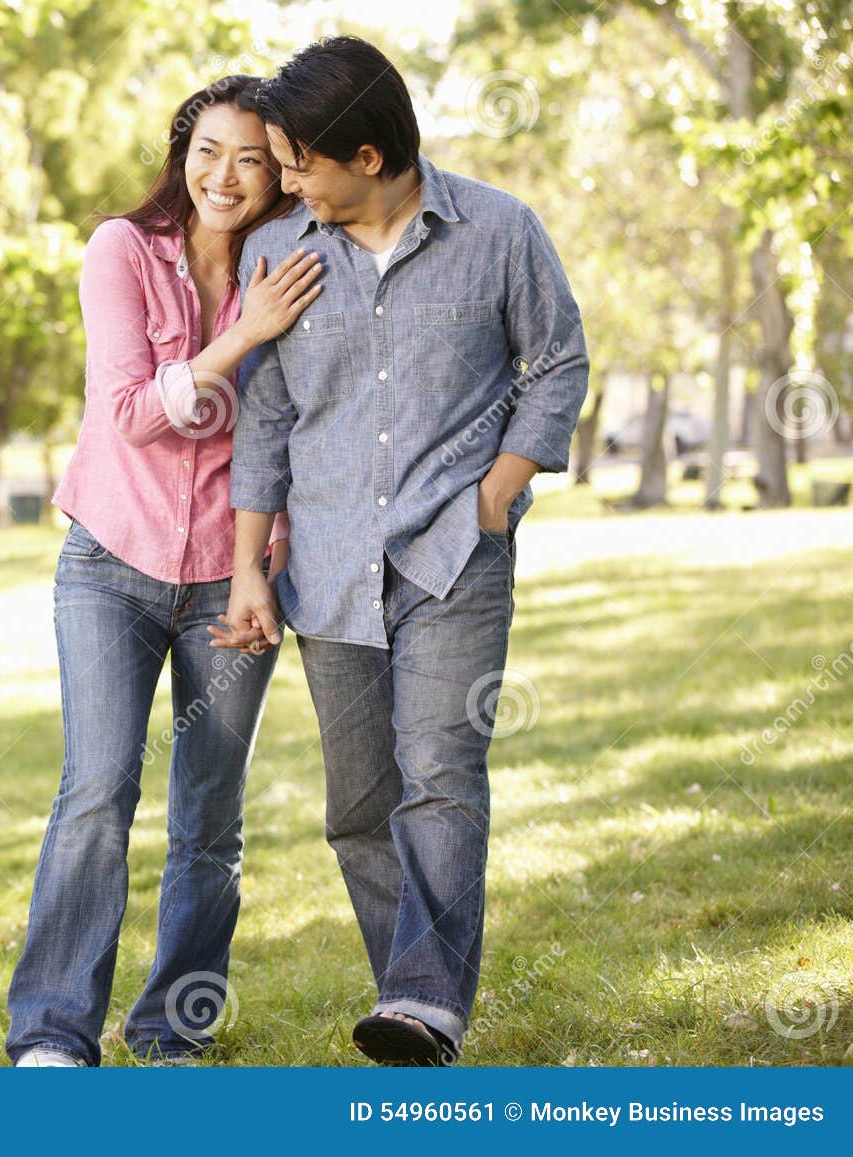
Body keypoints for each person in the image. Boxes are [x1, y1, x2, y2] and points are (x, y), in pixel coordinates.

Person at [215, 36, 589, 1066]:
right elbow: (266, 416)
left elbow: (557, 361)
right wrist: (250, 564)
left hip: (450, 557)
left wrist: (495, 497)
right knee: (360, 803)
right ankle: (408, 995)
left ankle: (426, 1001)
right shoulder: (277, 257)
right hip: (326, 562)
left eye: (297, 163)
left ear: (367, 156)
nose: (283, 182)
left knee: (438, 769)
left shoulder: (499, 231)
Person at [5, 74, 323, 1067]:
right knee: (97, 787)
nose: (224, 175)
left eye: (252, 159)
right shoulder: (121, 251)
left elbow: (307, 433)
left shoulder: (303, 264)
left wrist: (265, 565)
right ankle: (53, 1032)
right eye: (207, 149)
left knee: (210, 813)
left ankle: (171, 1027)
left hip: (234, 573)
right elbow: (133, 413)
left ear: (283, 175)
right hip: (112, 560)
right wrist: (244, 333)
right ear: (181, 151)